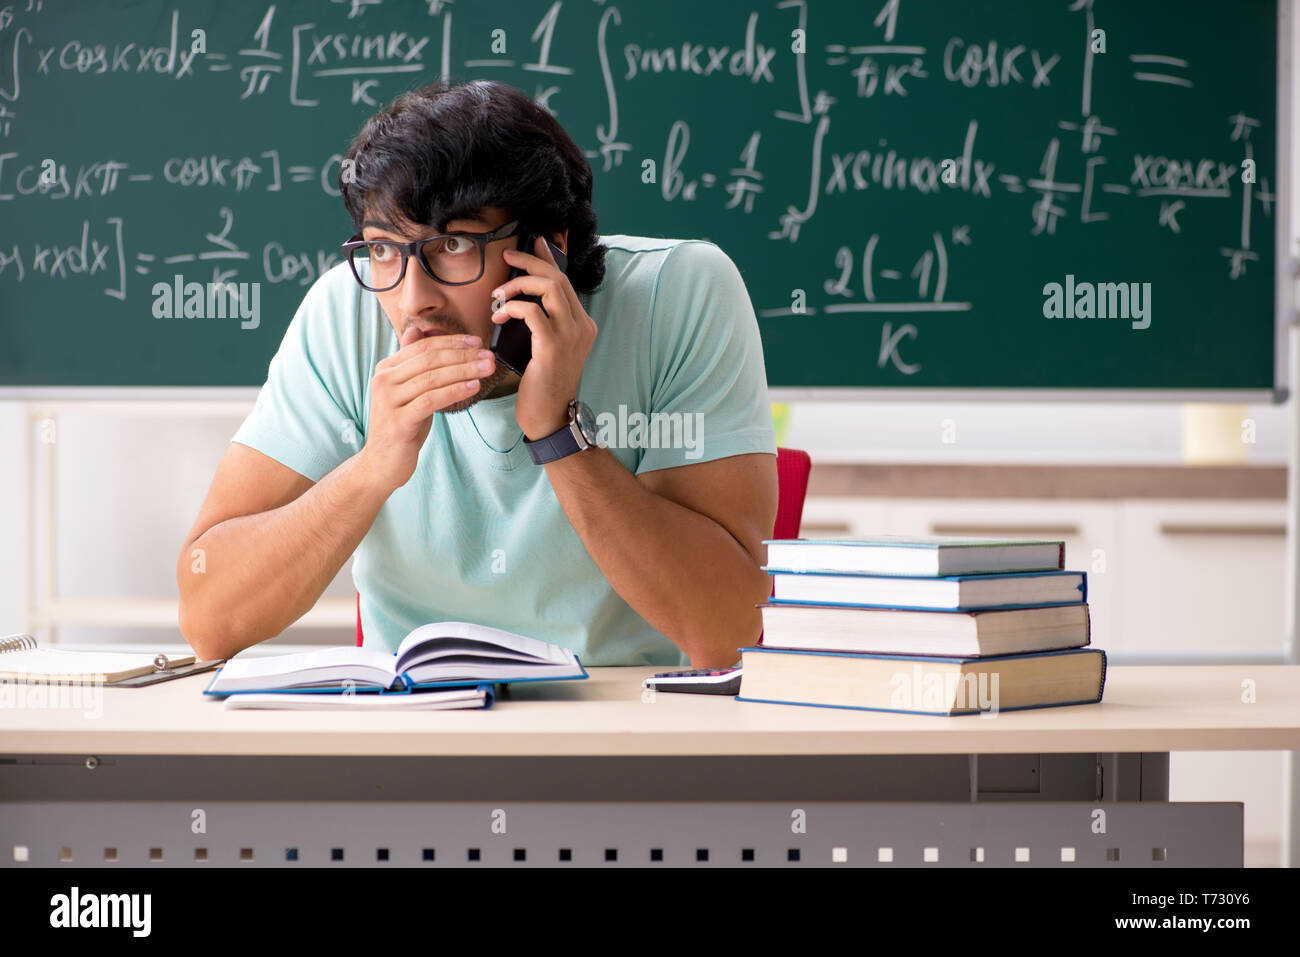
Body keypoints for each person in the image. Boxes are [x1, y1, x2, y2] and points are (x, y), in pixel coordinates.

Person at [177, 79, 777, 668]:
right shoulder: (345, 313)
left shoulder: (679, 294)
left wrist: (558, 436)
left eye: (454, 245)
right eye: (384, 248)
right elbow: (210, 620)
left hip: (628, 730)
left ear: (550, 248)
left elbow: (732, 633)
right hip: (414, 734)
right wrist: (372, 467)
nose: (414, 301)